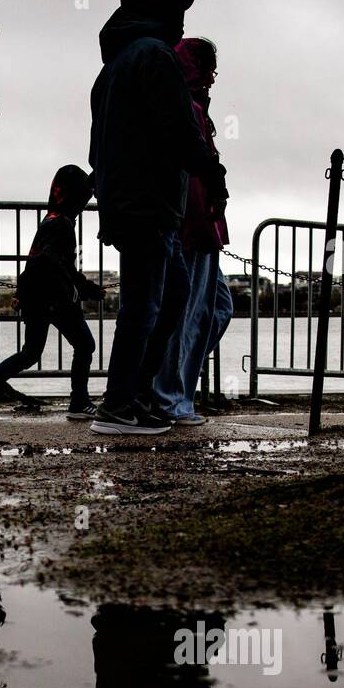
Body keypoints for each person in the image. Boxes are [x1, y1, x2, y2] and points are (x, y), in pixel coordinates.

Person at [87, 0, 226, 436]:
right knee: (147, 306)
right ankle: (119, 404)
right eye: (178, 10)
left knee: (168, 299)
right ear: (161, 12)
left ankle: (137, 397)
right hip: (149, 203)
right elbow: (178, 131)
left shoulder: (114, 67)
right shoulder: (155, 57)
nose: (182, 20)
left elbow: (99, 148)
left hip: (133, 201)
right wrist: (211, 168)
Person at [0, 165, 104, 422]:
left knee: (31, 353)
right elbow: (56, 264)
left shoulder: (51, 219)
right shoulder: (63, 225)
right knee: (85, 345)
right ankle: (79, 402)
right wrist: (83, 288)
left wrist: (24, 293)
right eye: (84, 197)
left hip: (37, 297)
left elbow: (37, 262)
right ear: (74, 197)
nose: (85, 204)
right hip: (55, 299)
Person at [148, 37, 232, 424]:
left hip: (202, 223)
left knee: (216, 308)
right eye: (209, 69)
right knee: (191, 313)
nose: (213, 77)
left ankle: (173, 386)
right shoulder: (187, 108)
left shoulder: (193, 106)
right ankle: (171, 397)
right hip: (194, 223)